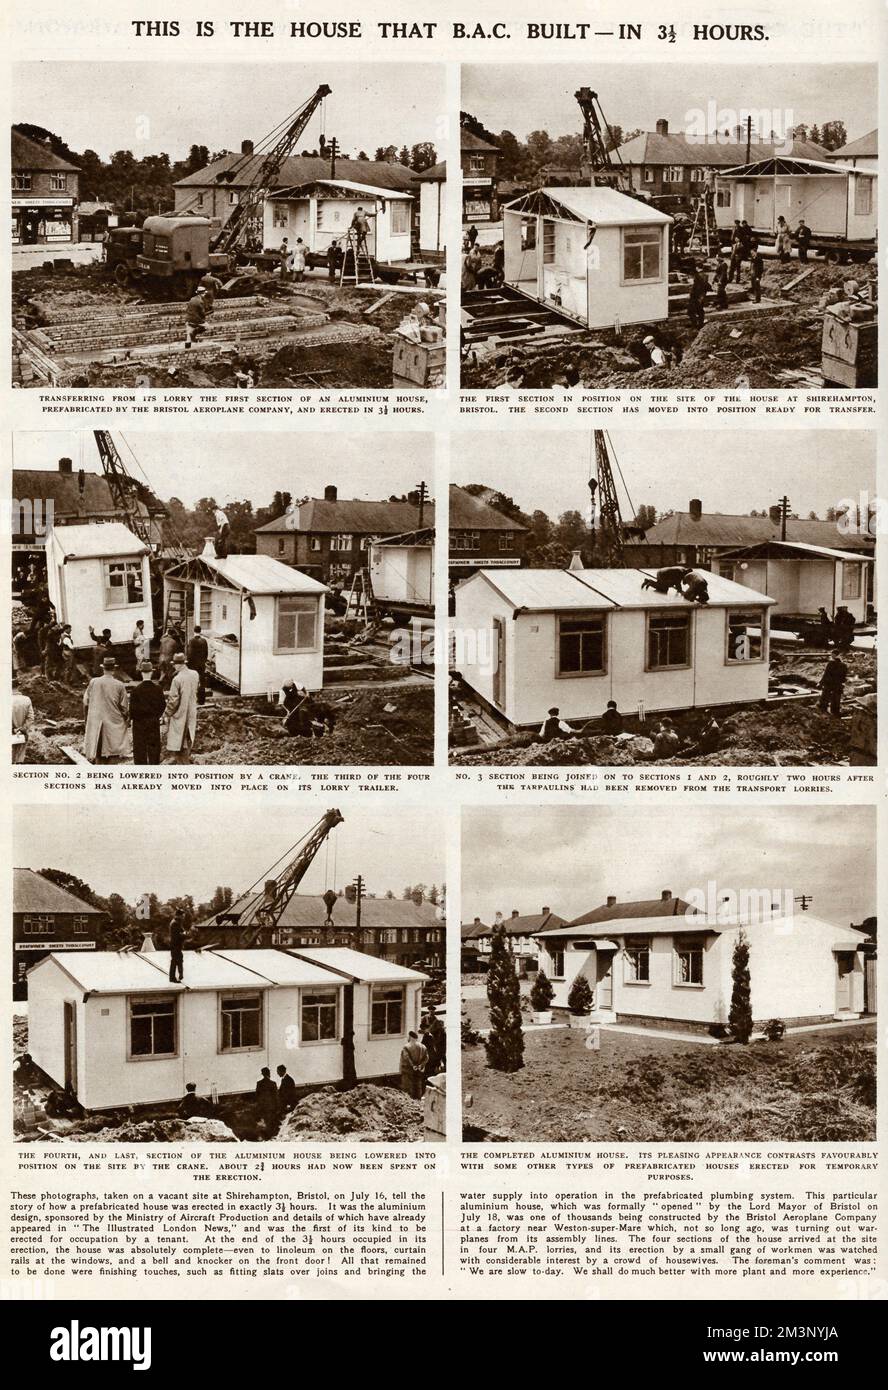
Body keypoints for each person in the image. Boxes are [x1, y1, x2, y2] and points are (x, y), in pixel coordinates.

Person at [83, 656, 130, 763]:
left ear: (103, 669)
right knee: (114, 756)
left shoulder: (93, 682)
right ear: (114, 669)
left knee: (99, 756)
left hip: (97, 725)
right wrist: (126, 720)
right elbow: (124, 708)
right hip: (114, 727)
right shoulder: (119, 685)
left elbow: (86, 702)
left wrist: (87, 719)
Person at [129, 660, 166, 765]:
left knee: (139, 749)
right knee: (154, 748)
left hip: (139, 723)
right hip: (153, 722)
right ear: (152, 672)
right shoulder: (158, 689)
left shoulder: (135, 690)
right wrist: (156, 716)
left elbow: (132, 710)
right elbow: (162, 706)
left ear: (141, 673)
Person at [164, 653, 199, 763]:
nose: (174, 666)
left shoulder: (177, 679)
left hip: (180, 714)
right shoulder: (195, 674)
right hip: (192, 711)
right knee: (188, 737)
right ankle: (185, 759)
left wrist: (167, 714)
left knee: (179, 743)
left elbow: (173, 700)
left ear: (178, 665)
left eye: (174, 664)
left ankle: (183, 765)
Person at [11, 675, 35, 764]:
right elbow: (31, 718)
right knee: (19, 758)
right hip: (22, 734)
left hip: (8, 733)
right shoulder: (26, 699)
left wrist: (13, 729)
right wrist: (21, 729)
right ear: (18, 687)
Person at [399, 1032, 428, 1100]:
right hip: (419, 1070)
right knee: (418, 1087)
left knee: (407, 1088)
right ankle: (418, 1103)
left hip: (408, 1070)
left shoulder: (406, 1046)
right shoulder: (423, 1046)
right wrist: (421, 1065)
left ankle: (409, 1103)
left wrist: (413, 1065)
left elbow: (406, 1058)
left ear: (410, 1037)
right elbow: (426, 1058)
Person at [818, 652, 848, 716]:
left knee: (825, 695)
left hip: (829, 683)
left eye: (832, 655)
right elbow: (844, 677)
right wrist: (842, 682)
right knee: (836, 698)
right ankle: (835, 711)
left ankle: (823, 708)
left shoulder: (830, 663)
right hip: (838, 684)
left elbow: (826, 674)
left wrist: (821, 683)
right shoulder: (844, 665)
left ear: (834, 656)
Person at [186, 625, 209, 705]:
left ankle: (192, 700)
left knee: (192, 682)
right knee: (201, 682)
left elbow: (190, 654)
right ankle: (202, 700)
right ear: (200, 631)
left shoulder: (191, 641)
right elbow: (206, 653)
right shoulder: (204, 641)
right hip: (201, 664)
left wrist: (188, 663)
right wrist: (203, 662)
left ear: (194, 631)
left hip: (193, 665)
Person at [255, 1067, 280, 1133]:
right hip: (271, 1106)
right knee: (271, 1121)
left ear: (262, 1074)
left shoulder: (259, 1083)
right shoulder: (273, 1083)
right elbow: (276, 1097)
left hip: (263, 1106)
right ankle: (271, 1134)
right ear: (269, 1073)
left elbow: (257, 1096)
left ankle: (267, 1135)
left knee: (265, 1121)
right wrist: (277, 1106)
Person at [421, 1012, 446, 1077]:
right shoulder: (428, 1035)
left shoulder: (442, 1035)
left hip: (436, 1056)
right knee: (430, 1070)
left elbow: (442, 1049)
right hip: (431, 1057)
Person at [687, 263, 708, 329]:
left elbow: (696, 287)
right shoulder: (705, 275)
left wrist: (691, 294)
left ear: (697, 268)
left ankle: (695, 324)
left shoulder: (697, 276)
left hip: (696, 296)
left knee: (690, 311)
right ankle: (700, 324)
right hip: (702, 295)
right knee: (700, 311)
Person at [168, 909, 186, 983]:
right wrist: (184, 934)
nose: (183, 917)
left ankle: (179, 975)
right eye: (182, 916)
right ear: (179, 915)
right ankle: (174, 977)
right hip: (176, 945)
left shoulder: (177, 922)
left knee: (177, 960)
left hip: (176, 945)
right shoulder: (175, 923)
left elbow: (182, 931)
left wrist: (183, 933)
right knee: (175, 961)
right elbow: (179, 935)